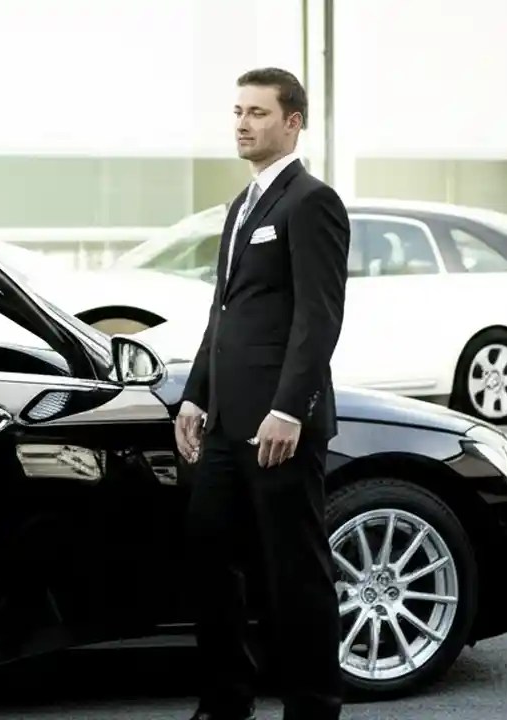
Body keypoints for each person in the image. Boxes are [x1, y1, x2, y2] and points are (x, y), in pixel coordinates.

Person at [176, 67, 351, 720]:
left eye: (256, 112)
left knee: (295, 574)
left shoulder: (311, 202)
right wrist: (196, 395)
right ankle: (226, 700)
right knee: (207, 558)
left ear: (292, 122)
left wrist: (289, 409)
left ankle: (313, 707)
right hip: (224, 424)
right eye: (237, 112)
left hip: (280, 427)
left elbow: (318, 318)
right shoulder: (241, 205)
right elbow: (224, 313)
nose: (242, 124)